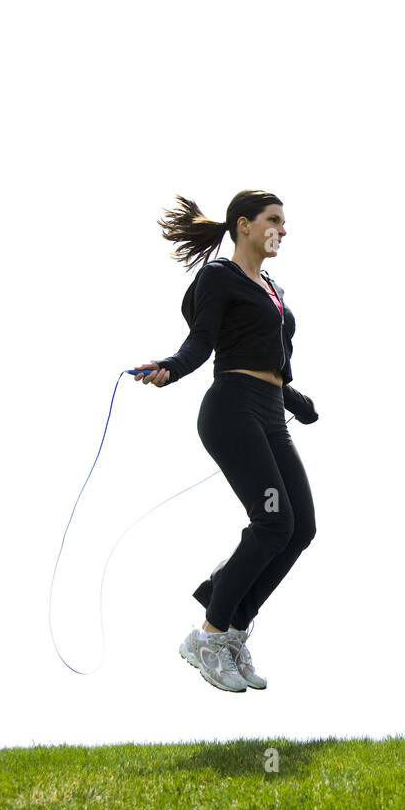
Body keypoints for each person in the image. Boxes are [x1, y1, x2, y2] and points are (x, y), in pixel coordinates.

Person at [130, 190, 318, 694]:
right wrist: (170, 368)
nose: (283, 229)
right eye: (273, 220)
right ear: (244, 226)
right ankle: (207, 636)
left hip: (270, 412)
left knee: (300, 528)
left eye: (284, 221)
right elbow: (203, 341)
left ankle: (234, 629)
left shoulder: (273, 288)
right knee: (273, 521)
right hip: (232, 410)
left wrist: (296, 400)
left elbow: (268, 360)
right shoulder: (219, 277)